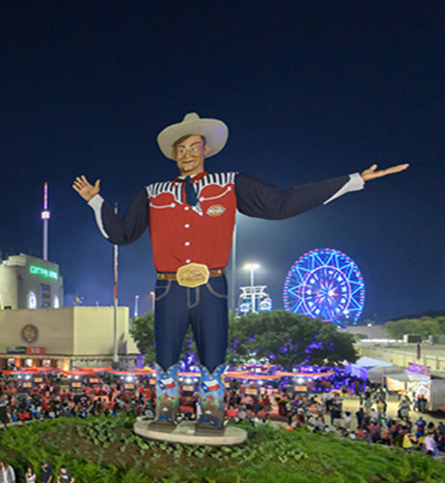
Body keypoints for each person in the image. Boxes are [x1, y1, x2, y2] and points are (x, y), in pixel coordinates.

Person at [74, 112, 406, 433]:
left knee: (214, 353)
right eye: (180, 149)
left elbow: (282, 203)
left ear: (206, 149)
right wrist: (95, 201)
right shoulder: (153, 192)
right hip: (168, 287)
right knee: (165, 355)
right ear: (173, 154)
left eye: (193, 147)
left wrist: (353, 181)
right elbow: (122, 234)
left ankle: (212, 417)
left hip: (212, 285)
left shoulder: (230, 184)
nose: (186, 154)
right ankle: (165, 412)